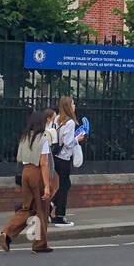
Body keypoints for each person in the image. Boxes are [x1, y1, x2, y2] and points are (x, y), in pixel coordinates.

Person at [1, 111, 55, 254]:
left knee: (27, 208)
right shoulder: (42, 139)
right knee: (41, 210)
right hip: (36, 173)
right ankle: (40, 244)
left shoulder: (25, 137)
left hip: (25, 172)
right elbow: (44, 164)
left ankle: (7, 232)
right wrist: (47, 186)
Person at [51, 96, 83, 226]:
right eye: (73, 104)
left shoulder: (57, 119)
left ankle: (51, 205)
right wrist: (77, 139)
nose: (75, 106)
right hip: (64, 158)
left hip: (55, 156)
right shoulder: (69, 122)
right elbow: (68, 143)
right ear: (68, 107)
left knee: (63, 185)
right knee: (64, 187)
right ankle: (60, 216)